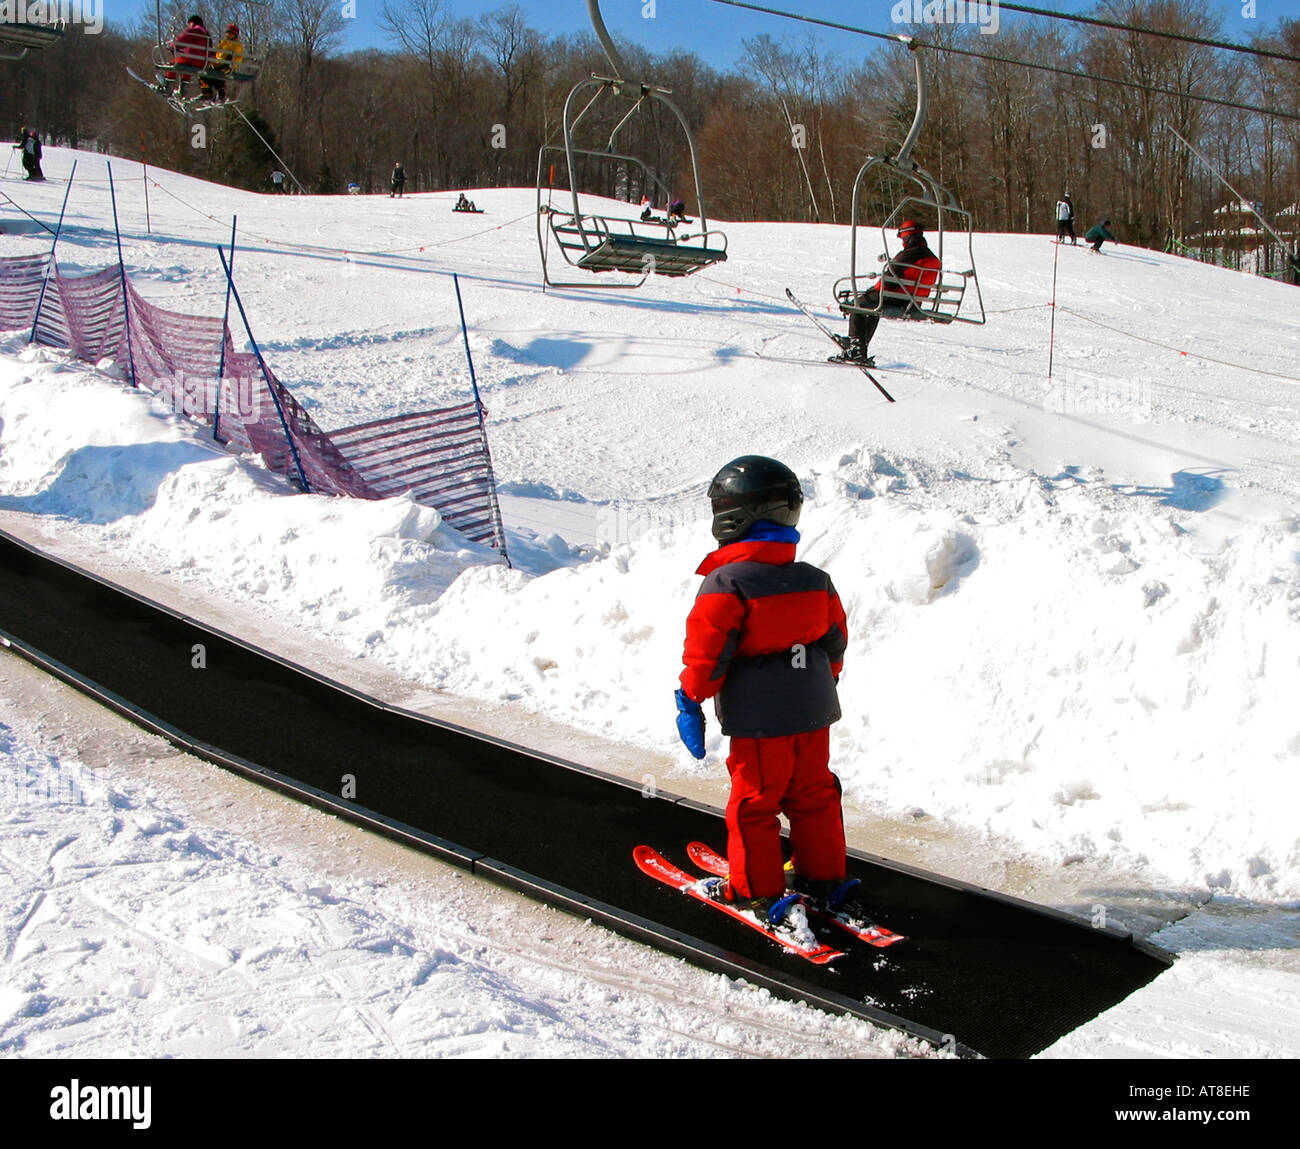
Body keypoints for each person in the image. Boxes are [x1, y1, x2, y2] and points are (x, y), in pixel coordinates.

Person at [675, 455, 855, 933]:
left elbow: (707, 655)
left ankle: (755, 889)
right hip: (814, 713)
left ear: (732, 517)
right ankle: (826, 879)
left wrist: (690, 698)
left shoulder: (727, 583)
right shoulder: (815, 580)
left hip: (760, 721)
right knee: (814, 793)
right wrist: (820, 684)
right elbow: (835, 642)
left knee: (755, 803)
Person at [832, 219, 940, 367]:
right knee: (872, 307)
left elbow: (888, 280)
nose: (902, 242)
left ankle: (857, 348)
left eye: (903, 239)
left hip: (897, 298)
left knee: (859, 304)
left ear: (908, 237)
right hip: (913, 301)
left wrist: (871, 292)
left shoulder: (908, 255)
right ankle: (858, 344)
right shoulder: (931, 256)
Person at [163, 14, 213, 99]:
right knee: (186, 67)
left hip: (192, 59)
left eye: (189, 24)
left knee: (172, 64)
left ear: (192, 23)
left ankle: (168, 87)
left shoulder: (194, 31)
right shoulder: (206, 34)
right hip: (203, 62)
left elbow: (181, 39)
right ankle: (184, 89)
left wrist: (172, 46)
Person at [206, 22, 243, 103]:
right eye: (227, 33)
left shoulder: (235, 45)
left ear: (235, 35)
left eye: (231, 34)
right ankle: (218, 95)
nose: (228, 35)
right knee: (211, 76)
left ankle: (217, 95)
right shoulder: (224, 42)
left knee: (215, 74)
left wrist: (233, 65)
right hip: (218, 63)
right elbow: (217, 52)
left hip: (226, 64)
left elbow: (236, 57)